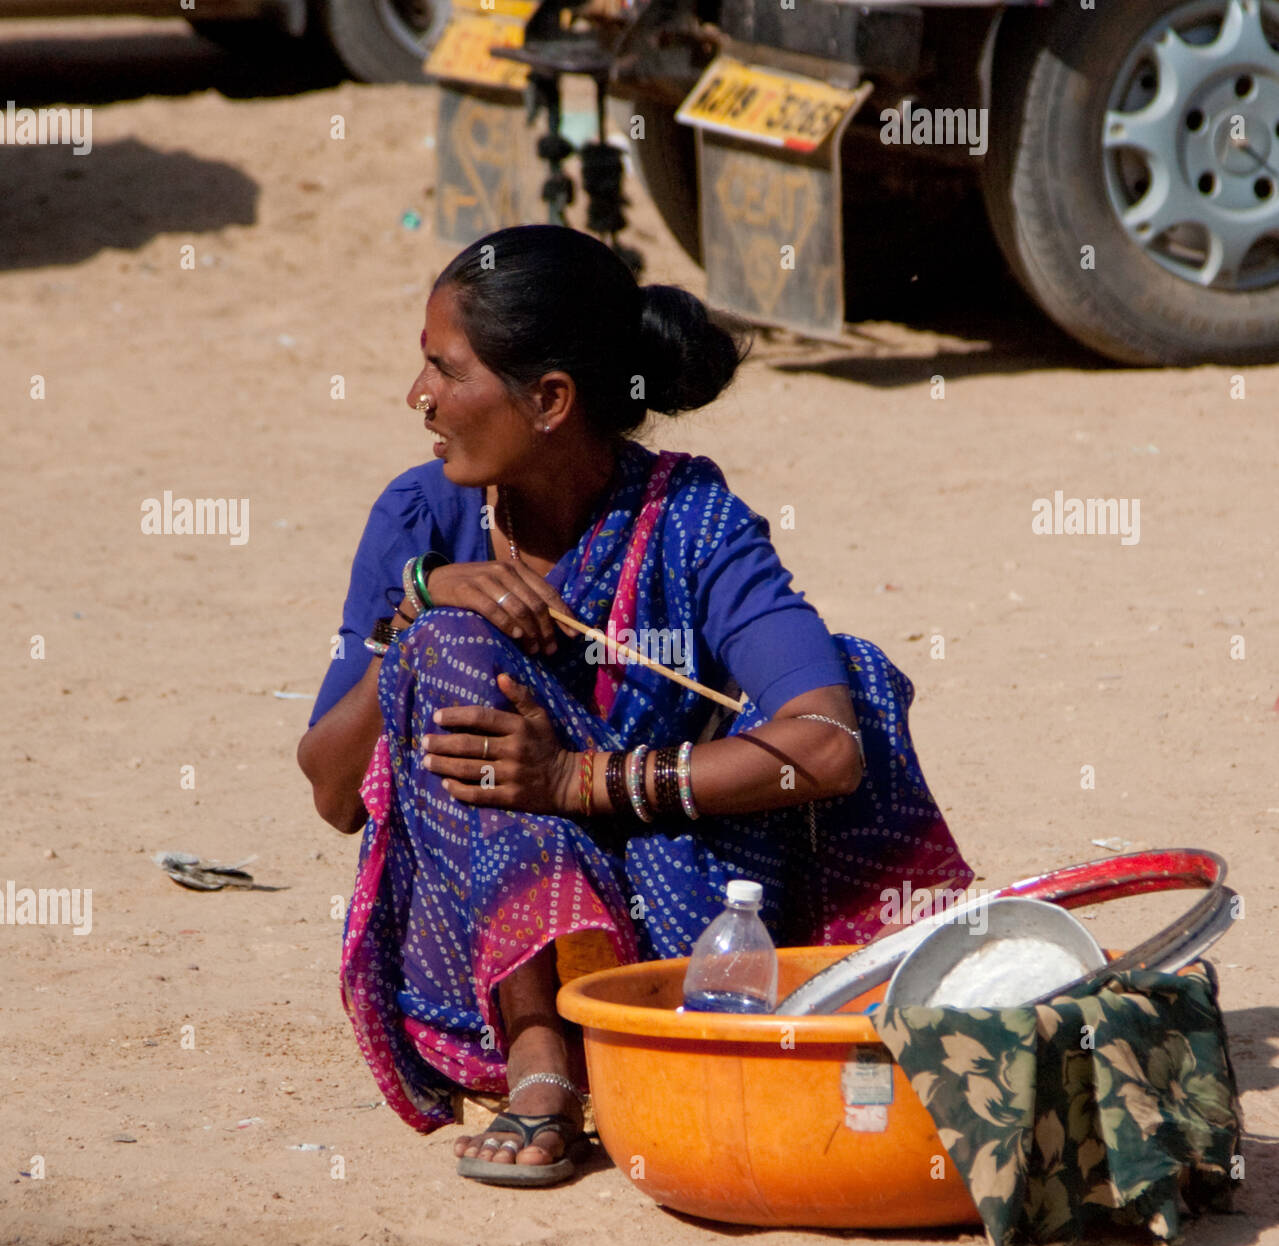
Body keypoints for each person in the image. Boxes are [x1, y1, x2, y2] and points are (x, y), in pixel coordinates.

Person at [297, 223, 971, 1187]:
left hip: (691, 934)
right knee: (447, 648)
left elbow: (825, 744)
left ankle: (775, 1004)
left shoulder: (691, 522)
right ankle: (542, 1069)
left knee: (853, 670)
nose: (420, 400)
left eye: (447, 372)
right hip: (488, 955)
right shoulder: (422, 519)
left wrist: (581, 779)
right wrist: (414, 612)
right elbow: (331, 791)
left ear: (550, 402)